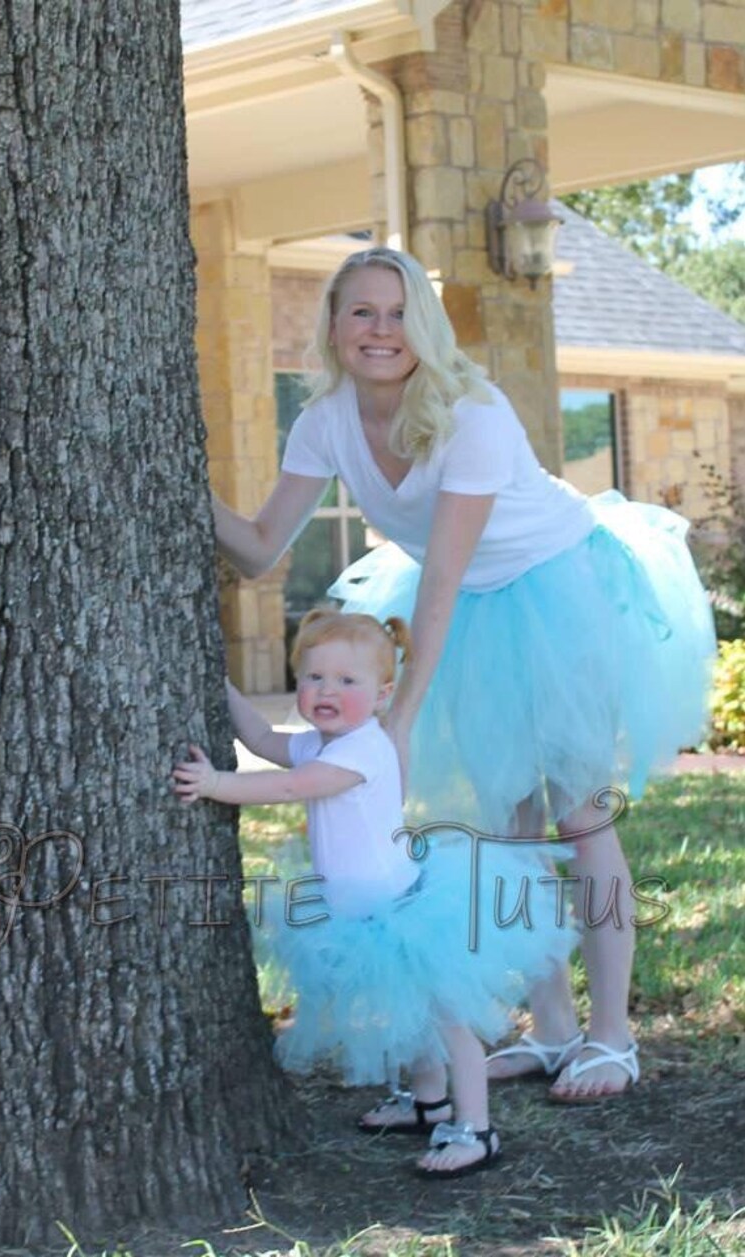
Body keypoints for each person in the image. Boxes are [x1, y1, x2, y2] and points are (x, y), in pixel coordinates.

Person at [210, 247, 715, 1103]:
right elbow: (259, 550)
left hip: (554, 588)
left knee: (578, 815)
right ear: (333, 325)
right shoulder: (326, 419)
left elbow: (442, 574)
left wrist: (401, 716)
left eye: (399, 311)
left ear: (426, 326)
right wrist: (169, 471)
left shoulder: (469, 412)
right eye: (361, 311)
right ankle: (552, 1029)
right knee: (509, 827)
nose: (380, 329)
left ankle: (613, 1036)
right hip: (472, 607)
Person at [173, 609, 575, 1178]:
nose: (325, 691)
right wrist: (221, 682)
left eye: (346, 681)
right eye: (313, 678)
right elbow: (262, 738)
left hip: (406, 912)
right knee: (409, 1014)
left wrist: (216, 784)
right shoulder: (320, 741)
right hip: (362, 910)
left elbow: (291, 786)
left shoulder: (361, 750)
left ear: (384, 694)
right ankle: (428, 1103)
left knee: (448, 1020)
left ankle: (475, 1130)